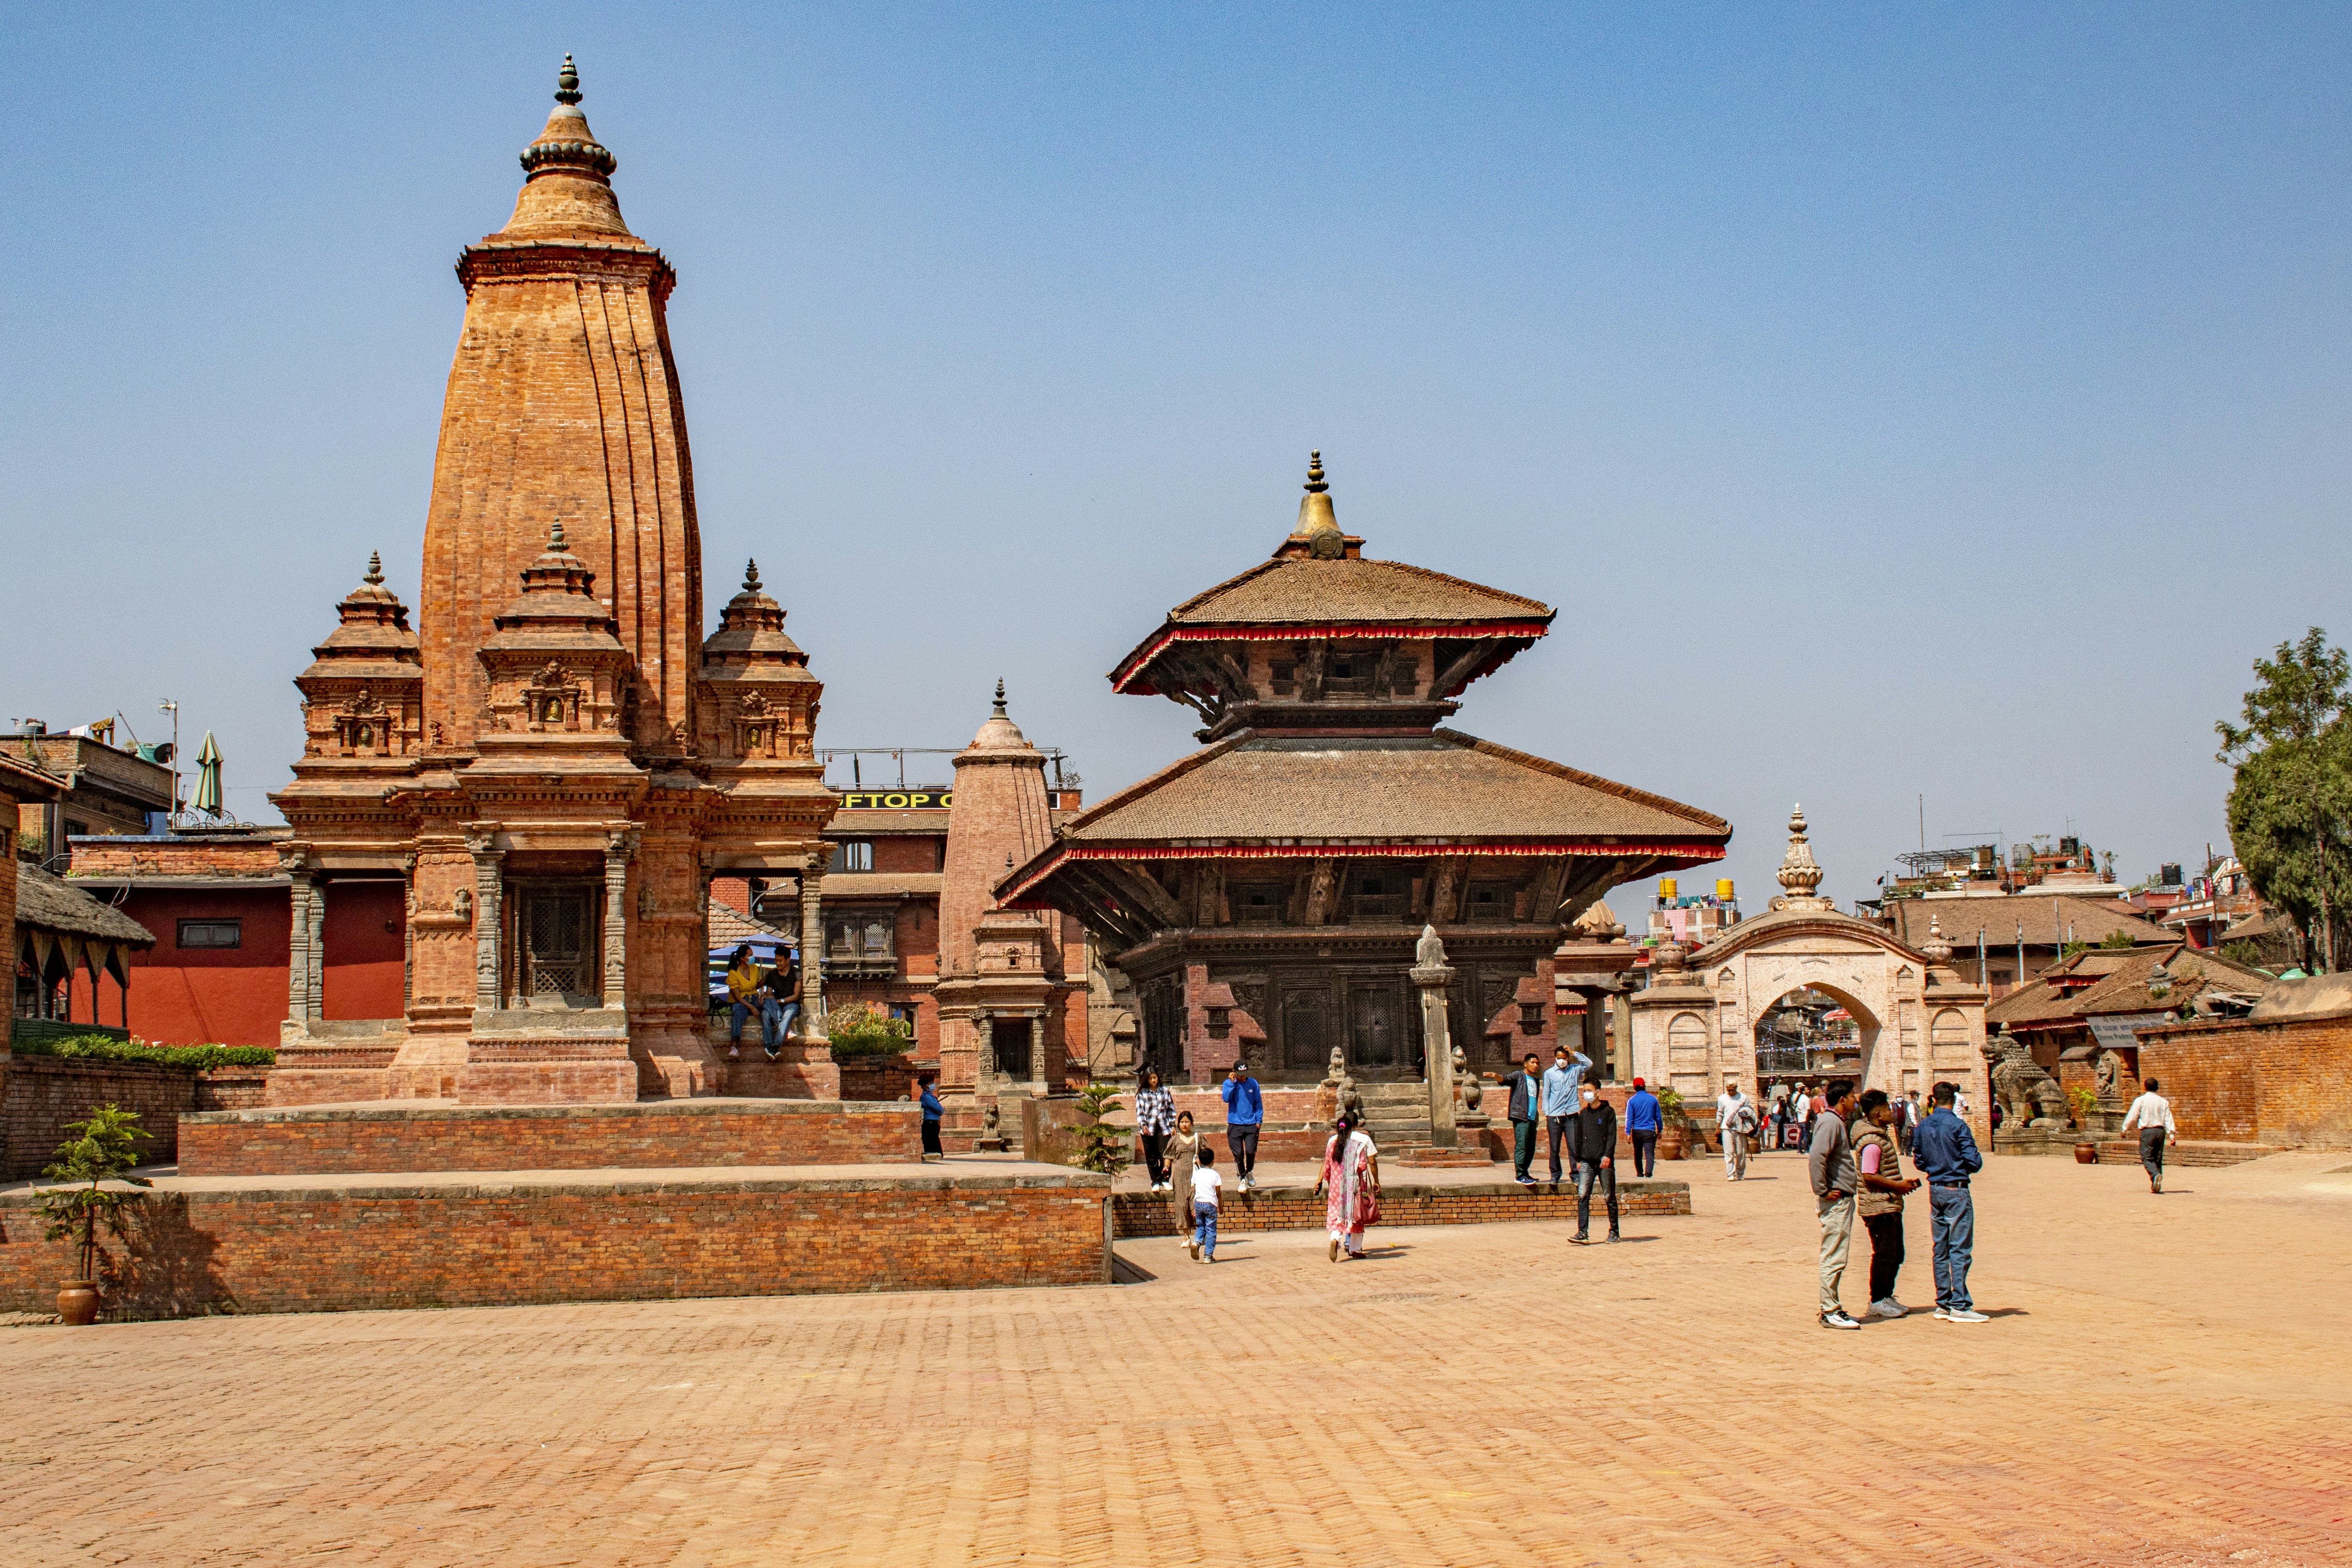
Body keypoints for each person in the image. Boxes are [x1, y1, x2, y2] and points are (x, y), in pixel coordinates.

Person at [1911, 1080, 1987, 1322]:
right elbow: (1974, 1162)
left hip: (1936, 1189)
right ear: (1954, 1100)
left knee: (1940, 1247)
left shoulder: (1922, 1126)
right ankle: (1960, 1305)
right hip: (1957, 1189)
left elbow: (1919, 1160)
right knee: (1960, 1248)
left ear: (1933, 1100)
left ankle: (1943, 1302)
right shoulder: (1958, 1125)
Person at [1854, 1089, 1920, 1317]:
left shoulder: (1879, 1137)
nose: (1893, 1112)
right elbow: (1869, 1175)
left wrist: (1900, 1185)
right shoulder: (1872, 1142)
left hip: (1888, 1203)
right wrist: (1898, 1186)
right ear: (1878, 1115)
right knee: (1884, 1254)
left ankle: (1886, 1296)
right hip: (1878, 1206)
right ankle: (1877, 1300)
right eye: (1888, 1108)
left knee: (1896, 1254)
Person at [1809, 1082, 1862, 1330]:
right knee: (1834, 1254)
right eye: (1852, 1096)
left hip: (1841, 1199)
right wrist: (1822, 1190)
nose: (1855, 1101)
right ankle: (1830, 1309)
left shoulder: (1835, 1121)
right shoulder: (1831, 1122)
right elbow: (1817, 1156)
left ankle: (1833, 1307)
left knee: (1836, 1253)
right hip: (1836, 1200)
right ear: (1842, 1099)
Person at [1315, 1113, 1381, 1261]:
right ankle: (1355, 1249)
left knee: (1337, 1216)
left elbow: (1327, 1167)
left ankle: (1335, 1239)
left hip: (1335, 1188)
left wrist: (1325, 1182)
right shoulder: (1357, 1146)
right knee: (1356, 1218)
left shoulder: (1332, 1144)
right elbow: (1363, 1167)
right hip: (1353, 1188)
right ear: (1352, 1128)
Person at [1566, 1079, 1620, 1243]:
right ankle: (1583, 1232)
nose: (1587, 1094)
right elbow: (1579, 1138)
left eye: (1590, 1090)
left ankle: (1614, 1232)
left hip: (1604, 1162)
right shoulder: (1584, 1114)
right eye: (1584, 1090)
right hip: (1587, 1162)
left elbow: (1612, 1136)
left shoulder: (1608, 1112)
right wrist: (1578, 1159)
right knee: (1583, 1195)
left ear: (1598, 1092)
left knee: (1609, 1196)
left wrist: (1608, 1155)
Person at [1541, 1043, 1594, 1183]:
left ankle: (1575, 1173)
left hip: (1571, 1114)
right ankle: (1555, 1174)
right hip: (1555, 1115)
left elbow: (1589, 1064)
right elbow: (1546, 1094)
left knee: (1574, 1146)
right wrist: (1547, 1112)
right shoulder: (1549, 1074)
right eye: (1559, 1058)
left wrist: (1573, 1052)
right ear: (1555, 1058)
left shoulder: (1575, 1070)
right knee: (1554, 1147)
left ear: (1568, 1059)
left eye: (1564, 1057)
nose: (1562, 1060)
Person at [2120, 1076, 2177, 1194]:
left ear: (2145, 1087)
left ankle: (2156, 1175)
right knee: (2157, 1158)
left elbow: (2133, 1116)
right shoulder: (2163, 1102)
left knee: (2146, 1157)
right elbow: (2168, 1119)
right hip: (2160, 1132)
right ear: (2157, 1088)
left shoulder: (2141, 1100)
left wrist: (2124, 1129)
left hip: (2147, 1131)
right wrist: (2172, 1135)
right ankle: (2155, 1184)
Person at [1221, 1062, 1264, 1191]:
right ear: (1234, 1072)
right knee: (1238, 1154)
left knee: (1251, 1151)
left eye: (1244, 1074)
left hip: (1251, 1124)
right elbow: (1226, 1098)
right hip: (1235, 1124)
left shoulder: (1253, 1083)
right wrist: (1232, 1083)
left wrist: (1259, 1121)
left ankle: (1249, 1170)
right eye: (1239, 1074)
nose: (1242, 1077)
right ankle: (1242, 1178)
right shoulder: (1229, 1083)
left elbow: (1258, 1103)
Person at [1134, 1068, 1177, 1192]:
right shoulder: (1142, 1094)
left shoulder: (1165, 1092)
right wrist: (1143, 1124)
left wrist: (1173, 1124)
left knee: (1165, 1155)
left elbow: (1171, 1109)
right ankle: (1156, 1182)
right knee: (1151, 1157)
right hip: (1149, 1129)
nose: (1153, 1080)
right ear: (1147, 1080)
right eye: (1150, 1078)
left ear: (1158, 1078)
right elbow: (1140, 1112)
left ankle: (1165, 1180)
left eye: (1155, 1077)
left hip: (1164, 1128)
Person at [1506, 1052, 1545, 1185]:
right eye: (1533, 1063)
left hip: (1532, 1119)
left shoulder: (1535, 1081)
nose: (1536, 1066)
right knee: (1522, 1146)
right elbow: (1506, 1079)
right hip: (1521, 1117)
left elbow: (1534, 1099)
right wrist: (1497, 1077)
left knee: (1530, 1147)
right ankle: (1520, 1175)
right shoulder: (1519, 1076)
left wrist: (1537, 1115)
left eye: (1537, 1063)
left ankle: (1526, 1172)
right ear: (1526, 1064)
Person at [757, 947, 800, 1060]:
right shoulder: (772, 974)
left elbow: (796, 996)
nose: (777, 963)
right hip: (775, 1004)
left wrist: (780, 1001)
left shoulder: (797, 973)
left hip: (790, 1003)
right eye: (776, 960)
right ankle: (781, 1034)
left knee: (790, 1012)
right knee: (765, 1014)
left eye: (780, 961)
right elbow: (770, 994)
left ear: (788, 960)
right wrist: (765, 996)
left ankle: (775, 1045)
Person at [724, 945, 764, 1057]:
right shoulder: (734, 972)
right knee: (738, 1012)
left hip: (754, 997)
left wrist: (766, 979)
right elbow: (737, 997)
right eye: (750, 955)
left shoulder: (754, 968)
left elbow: (756, 986)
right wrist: (752, 1008)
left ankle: (783, 1029)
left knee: (767, 1006)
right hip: (741, 1001)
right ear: (743, 958)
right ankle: (734, 1045)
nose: (753, 957)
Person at [1715, 1080, 1755, 1181]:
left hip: (1740, 1128)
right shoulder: (1722, 1098)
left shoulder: (1743, 1098)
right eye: (1729, 1090)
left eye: (1733, 1090)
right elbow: (1720, 1113)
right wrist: (1718, 1128)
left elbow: (1749, 1111)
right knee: (1729, 1152)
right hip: (1726, 1128)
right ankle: (1730, 1174)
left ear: (1736, 1088)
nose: (1731, 1092)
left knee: (1741, 1153)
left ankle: (1740, 1173)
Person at [1167, 1109, 1201, 1228]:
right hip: (1180, 1176)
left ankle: (1200, 1233)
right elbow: (1169, 1156)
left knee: (1196, 1203)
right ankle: (1186, 1236)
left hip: (1195, 1175)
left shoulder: (1198, 1138)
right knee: (1181, 1204)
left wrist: (1201, 1161)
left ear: (1192, 1123)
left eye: (1187, 1122)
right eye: (1182, 1122)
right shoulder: (1175, 1140)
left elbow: (1209, 1155)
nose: (1184, 1125)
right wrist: (1166, 1167)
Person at [1187, 1145, 1221, 1263]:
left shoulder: (1197, 1174)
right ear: (1213, 1161)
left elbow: (1194, 1188)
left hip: (1198, 1203)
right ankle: (1208, 1256)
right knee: (1211, 1230)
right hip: (1210, 1204)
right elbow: (1218, 1194)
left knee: (1201, 1227)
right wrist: (1221, 1207)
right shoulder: (1215, 1175)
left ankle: (1196, 1243)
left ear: (1200, 1161)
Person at [1625, 1077, 1663, 1177]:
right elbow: (1658, 1117)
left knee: (1638, 1154)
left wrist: (1628, 1132)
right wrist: (1659, 1130)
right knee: (1650, 1153)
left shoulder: (1632, 1101)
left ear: (1634, 1088)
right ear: (1644, 1086)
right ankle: (1649, 1172)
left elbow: (1630, 1118)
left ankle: (1640, 1173)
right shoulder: (1653, 1099)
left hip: (1637, 1131)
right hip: (1650, 1131)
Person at [917, 1074, 945, 1161]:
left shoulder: (930, 1096)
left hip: (933, 1122)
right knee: (932, 1142)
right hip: (930, 1122)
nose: (933, 1085)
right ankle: (934, 1157)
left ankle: (937, 1156)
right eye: (931, 1083)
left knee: (934, 1141)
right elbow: (939, 1109)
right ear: (925, 1086)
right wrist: (939, 1109)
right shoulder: (926, 1097)